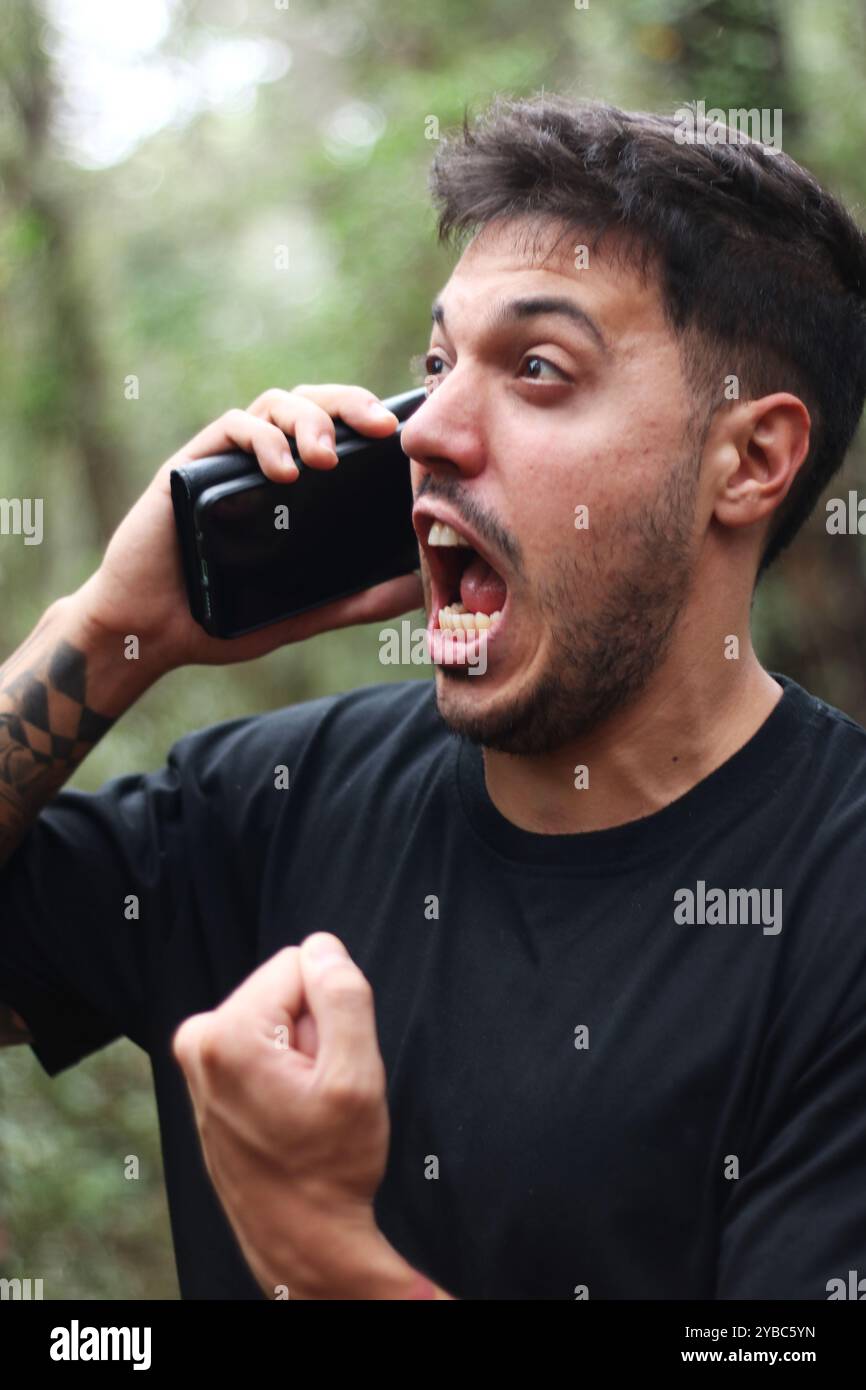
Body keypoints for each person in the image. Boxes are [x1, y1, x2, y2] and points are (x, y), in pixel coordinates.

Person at [3, 92, 866, 1301]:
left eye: (536, 368)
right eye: (434, 363)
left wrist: (315, 1247)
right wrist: (110, 632)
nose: (428, 430)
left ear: (750, 460)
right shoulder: (266, 805)